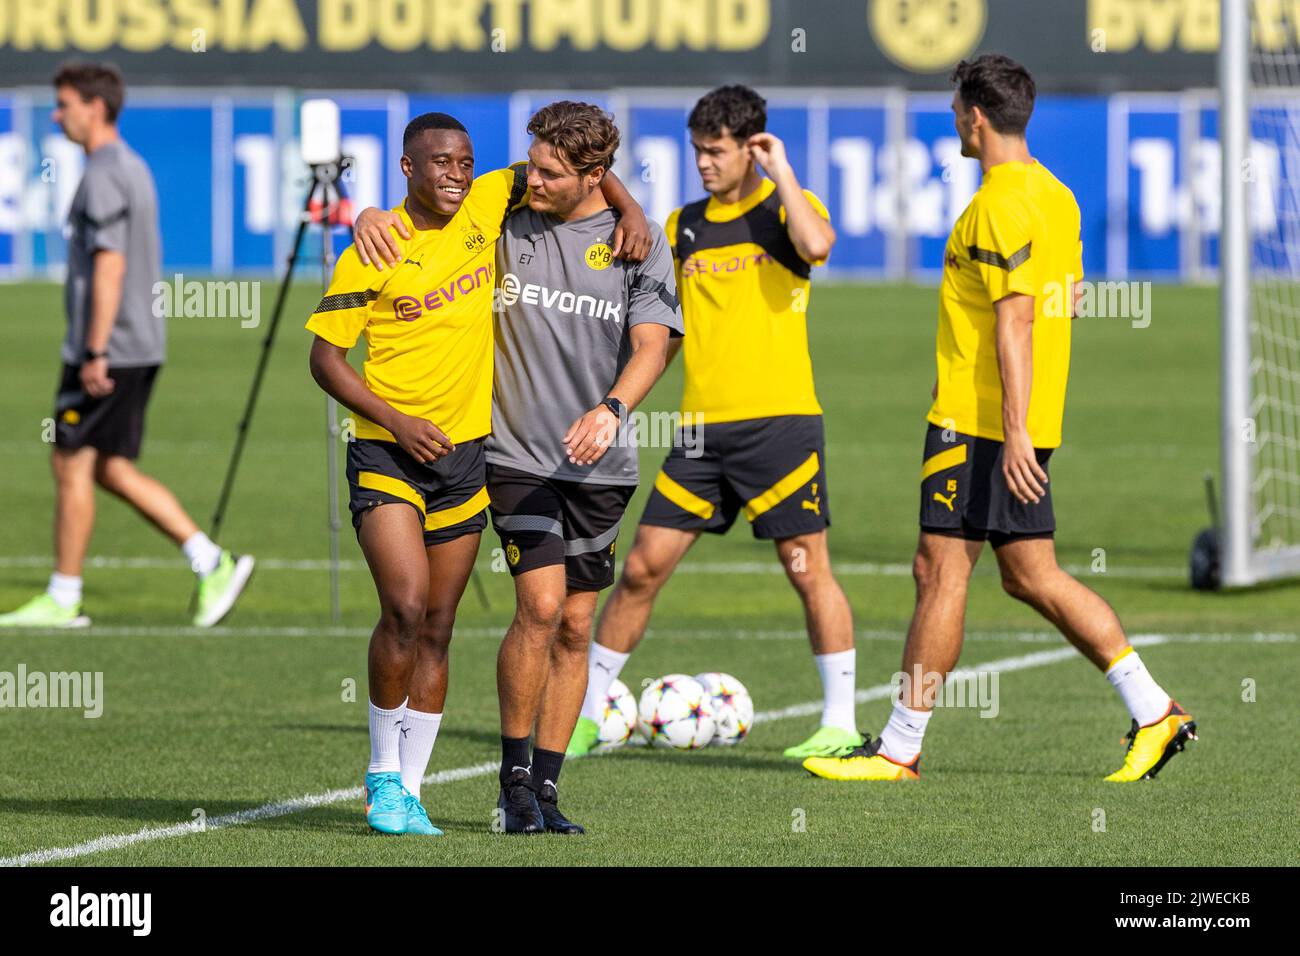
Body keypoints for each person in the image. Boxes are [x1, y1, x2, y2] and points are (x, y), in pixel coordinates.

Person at [803, 54, 1196, 784]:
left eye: (956, 111)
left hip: (981, 423)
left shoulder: (995, 205)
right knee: (1029, 574)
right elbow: (1067, 296)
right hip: (1020, 416)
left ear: (975, 118)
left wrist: (1011, 430)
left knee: (939, 570)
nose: (954, 122)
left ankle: (897, 749)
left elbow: (1016, 321)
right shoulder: (1056, 194)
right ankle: (1154, 711)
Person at [317, 111, 650, 836]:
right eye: (439, 162)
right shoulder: (375, 245)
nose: (455, 173)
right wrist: (396, 421)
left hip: (467, 456)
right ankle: (382, 773)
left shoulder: (489, 200)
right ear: (407, 168)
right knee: (405, 606)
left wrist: (630, 205)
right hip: (389, 450)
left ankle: (410, 790)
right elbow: (324, 360)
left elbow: (578, 170)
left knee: (439, 625)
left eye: (464, 161)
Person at [566, 85, 862, 761]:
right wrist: (619, 404)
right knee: (640, 569)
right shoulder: (683, 225)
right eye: (698, 150)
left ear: (751, 148)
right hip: (700, 435)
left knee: (805, 568)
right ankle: (587, 713)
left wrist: (780, 169)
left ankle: (841, 723)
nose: (704, 163)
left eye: (718, 152)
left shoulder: (787, 208)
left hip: (780, 426)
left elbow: (817, 245)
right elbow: (663, 335)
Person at [0, 62, 254, 632]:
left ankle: (64, 596)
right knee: (108, 467)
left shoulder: (105, 173)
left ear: (95, 106)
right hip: (132, 344)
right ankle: (211, 560)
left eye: (64, 104)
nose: (57, 115)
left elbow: (109, 265)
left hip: (109, 348)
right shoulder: (127, 166)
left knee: (69, 461)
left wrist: (93, 352)